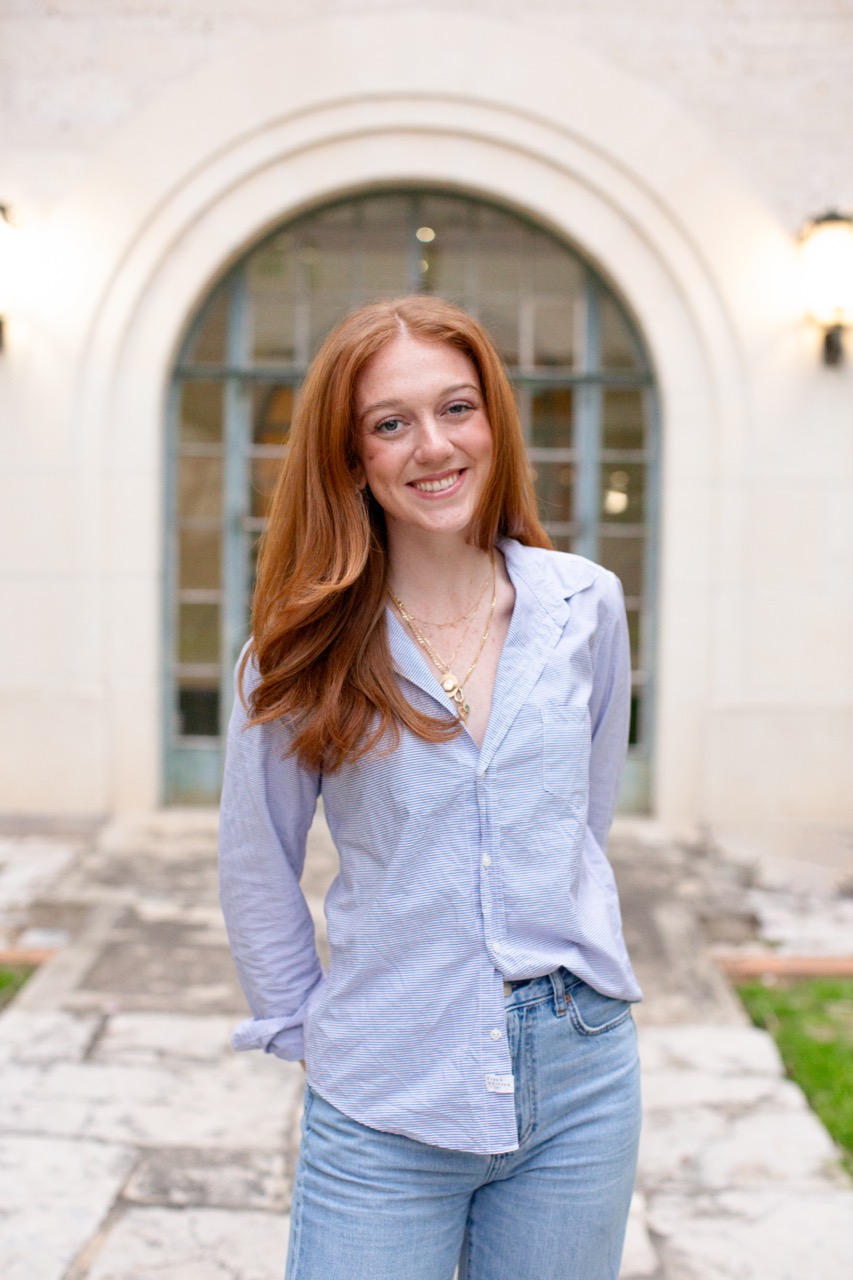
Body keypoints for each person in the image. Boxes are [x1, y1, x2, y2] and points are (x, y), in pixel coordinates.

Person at [218, 295, 642, 1280]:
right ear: (350, 456)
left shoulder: (585, 605)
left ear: (493, 419)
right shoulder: (292, 654)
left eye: (456, 408)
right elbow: (254, 864)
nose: (432, 446)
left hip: (580, 1074)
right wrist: (314, 1033)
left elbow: (585, 815)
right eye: (389, 422)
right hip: (384, 1086)